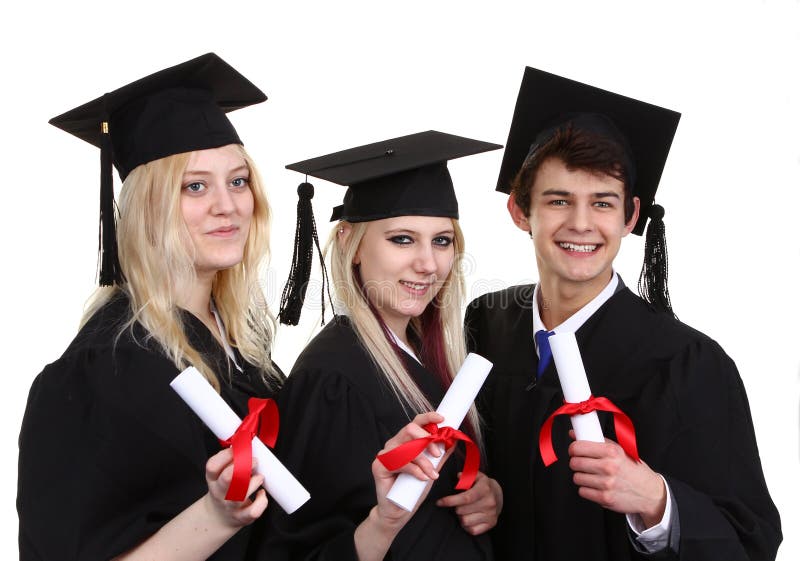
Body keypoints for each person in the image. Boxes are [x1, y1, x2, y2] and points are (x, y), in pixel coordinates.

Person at [465, 67, 782, 560]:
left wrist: (658, 501)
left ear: (631, 217)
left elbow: (749, 543)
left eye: (603, 203)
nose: (581, 223)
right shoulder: (485, 325)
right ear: (520, 211)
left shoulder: (685, 364)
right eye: (558, 200)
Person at [17, 53, 284, 561]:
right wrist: (216, 516)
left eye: (238, 181)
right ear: (146, 206)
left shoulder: (242, 337)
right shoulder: (105, 366)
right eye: (194, 186)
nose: (228, 205)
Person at [256, 131, 503, 561]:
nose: (428, 263)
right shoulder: (332, 379)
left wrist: (488, 493)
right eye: (402, 239)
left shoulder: (430, 355)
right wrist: (382, 523)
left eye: (442, 240)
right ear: (351, 244)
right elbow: (296, 549)